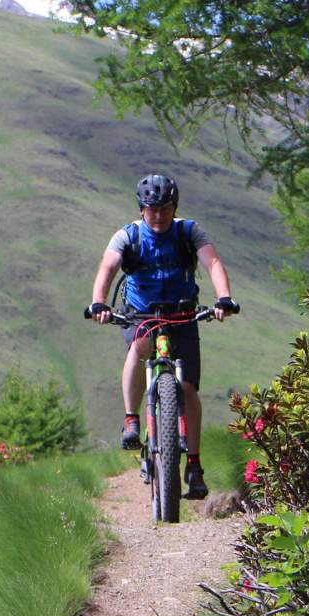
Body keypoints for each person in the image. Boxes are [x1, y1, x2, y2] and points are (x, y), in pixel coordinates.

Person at [87, 173, 236, 500]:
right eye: (152, 209)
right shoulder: (128, 236)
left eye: (165, 208)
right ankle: (131, 419)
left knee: (188, 387)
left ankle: (194, 464)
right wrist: (99, 302)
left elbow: (212, 262)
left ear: (174, 208)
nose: (158, 215)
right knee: (139, 348)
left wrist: (223, 298)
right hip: (141, 313)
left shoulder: (189, 232)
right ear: (141, 209)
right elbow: (107, 268)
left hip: (182, 313)